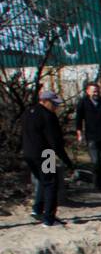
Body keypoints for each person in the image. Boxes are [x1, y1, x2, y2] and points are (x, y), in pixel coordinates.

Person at [22, 89, 73, 227]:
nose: (55, 107)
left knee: (42, 181)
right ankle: (49, 219)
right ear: (44, 101)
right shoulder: (48, 116)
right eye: (54, 104)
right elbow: (55, 142)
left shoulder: (28, 112)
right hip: (46, 154)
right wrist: (67, 161)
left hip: (28, 153)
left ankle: (37, 209)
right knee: (51, 184)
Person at [74, 80, 101, 192]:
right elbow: (79, 119)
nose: (96, 93)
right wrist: (79, 132)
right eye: (94, 91)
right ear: (88, 92)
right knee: (96, 161)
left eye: (97, 91)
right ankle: (97, 185)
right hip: (92, 136)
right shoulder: (83, 103)